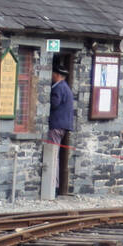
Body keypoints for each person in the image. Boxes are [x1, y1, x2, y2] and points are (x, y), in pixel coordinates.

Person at [47, 65, 74, 195]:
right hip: (63, 125)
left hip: (56, 125)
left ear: (58, 75)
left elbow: (54, 104)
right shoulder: (66, 88)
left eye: (53, 73)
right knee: (55, 154)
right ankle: (55, 185)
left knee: (53, 155)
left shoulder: (58, 88)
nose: (51, 75)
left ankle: (53, 185)